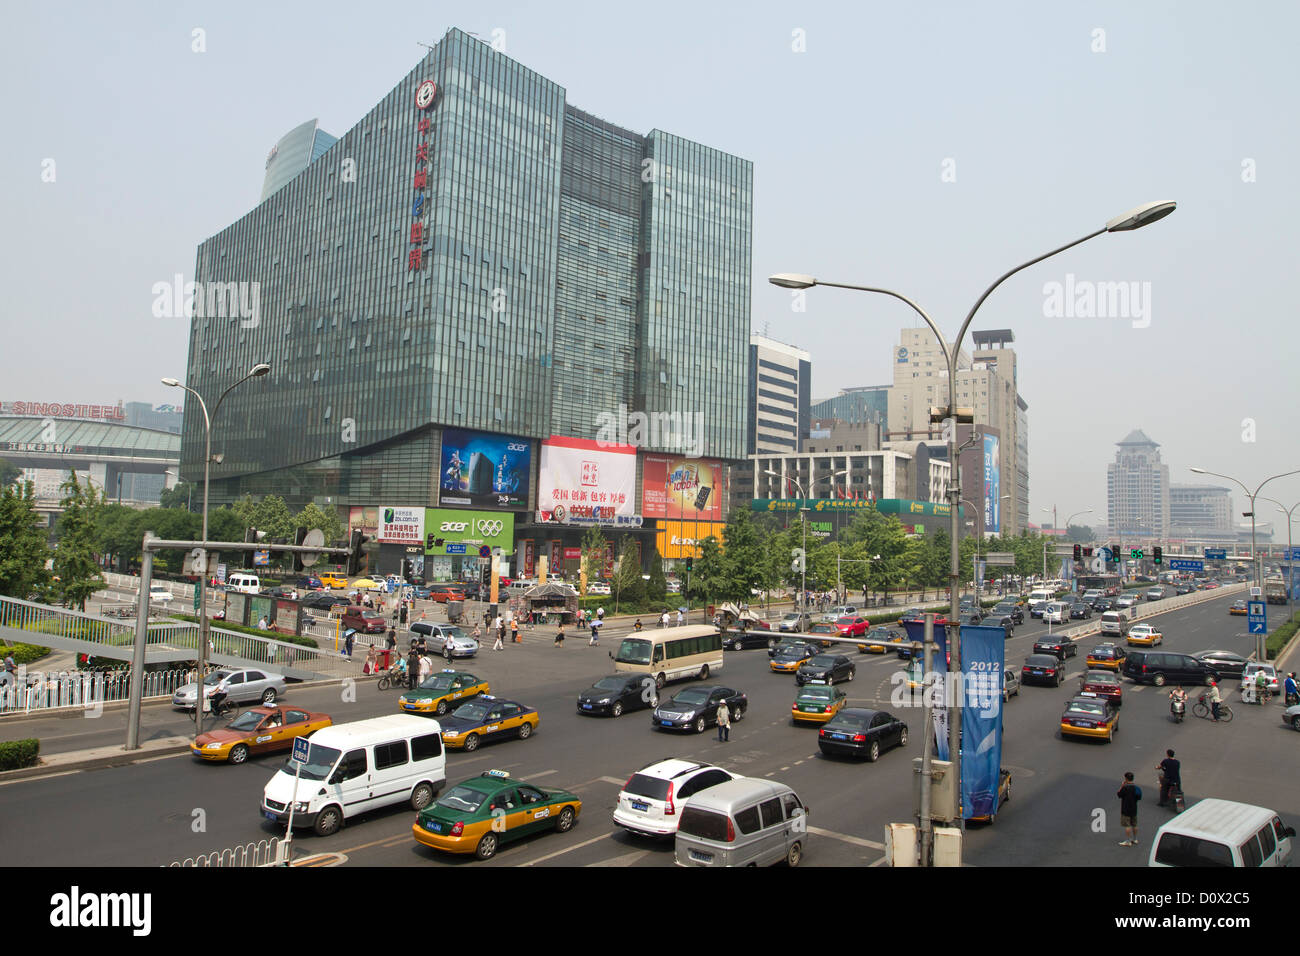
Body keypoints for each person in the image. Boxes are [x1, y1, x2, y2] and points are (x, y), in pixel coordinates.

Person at [1117, 771, 1142, 846]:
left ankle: (1128, 841)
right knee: (1134, 824)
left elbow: (1119, 794)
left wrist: (1122, 786)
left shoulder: (1125, 788)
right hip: (1134, 808)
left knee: (1127, 825)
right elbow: (1139, 797)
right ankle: (1135, 839)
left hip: (1126, 809)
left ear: (1126, 779)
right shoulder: (1137, 788)